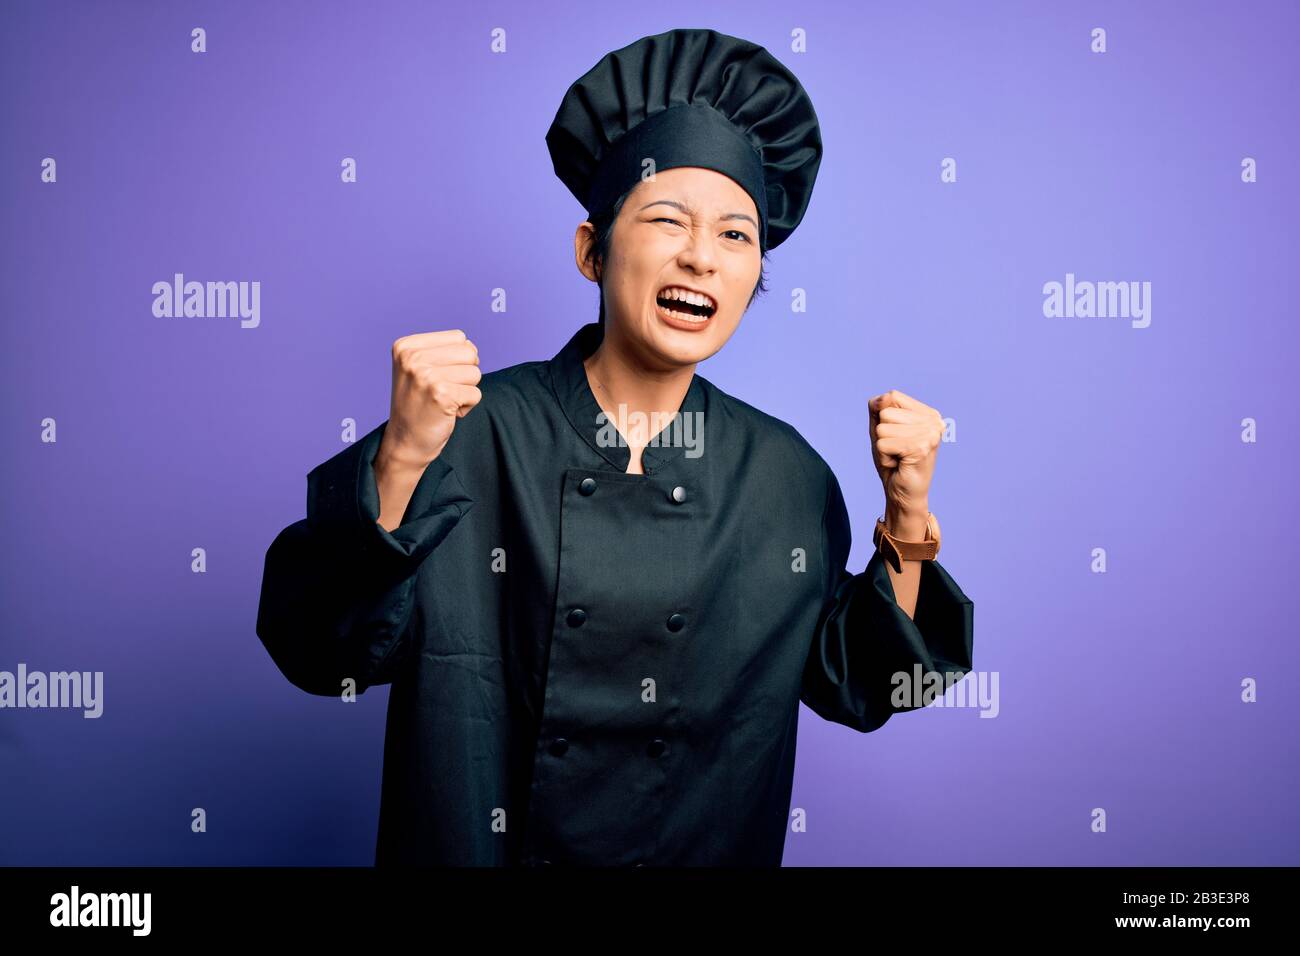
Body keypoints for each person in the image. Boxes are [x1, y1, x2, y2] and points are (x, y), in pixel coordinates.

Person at [256, 27, 974, 867]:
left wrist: (909, 513)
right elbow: (319, 654)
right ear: (590, 251)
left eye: (737, 236)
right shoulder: (469, 432)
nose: (702, 257)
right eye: (667, 219)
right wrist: (402, 460)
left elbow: (872, 685)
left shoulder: (787, 479)